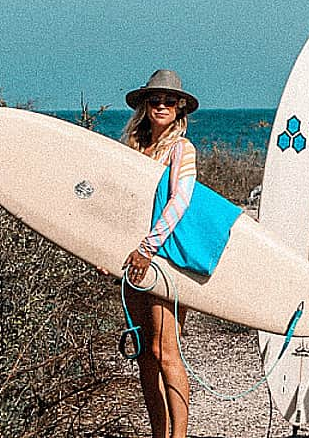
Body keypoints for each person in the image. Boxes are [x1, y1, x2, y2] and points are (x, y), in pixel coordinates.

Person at [120, 69, 202, 438]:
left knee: (165, 349)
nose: (163, 106)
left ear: (181, 107)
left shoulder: (182, 149)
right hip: (135, 260)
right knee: (144, 354)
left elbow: (179, 201)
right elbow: (120, 208)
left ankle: (179, 435)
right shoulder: (134, 149)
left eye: (170, 101)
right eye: (156, 100)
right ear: (145, 106)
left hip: (164, 258)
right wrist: (107, 254)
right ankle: (159, 433)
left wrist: (147, 248)